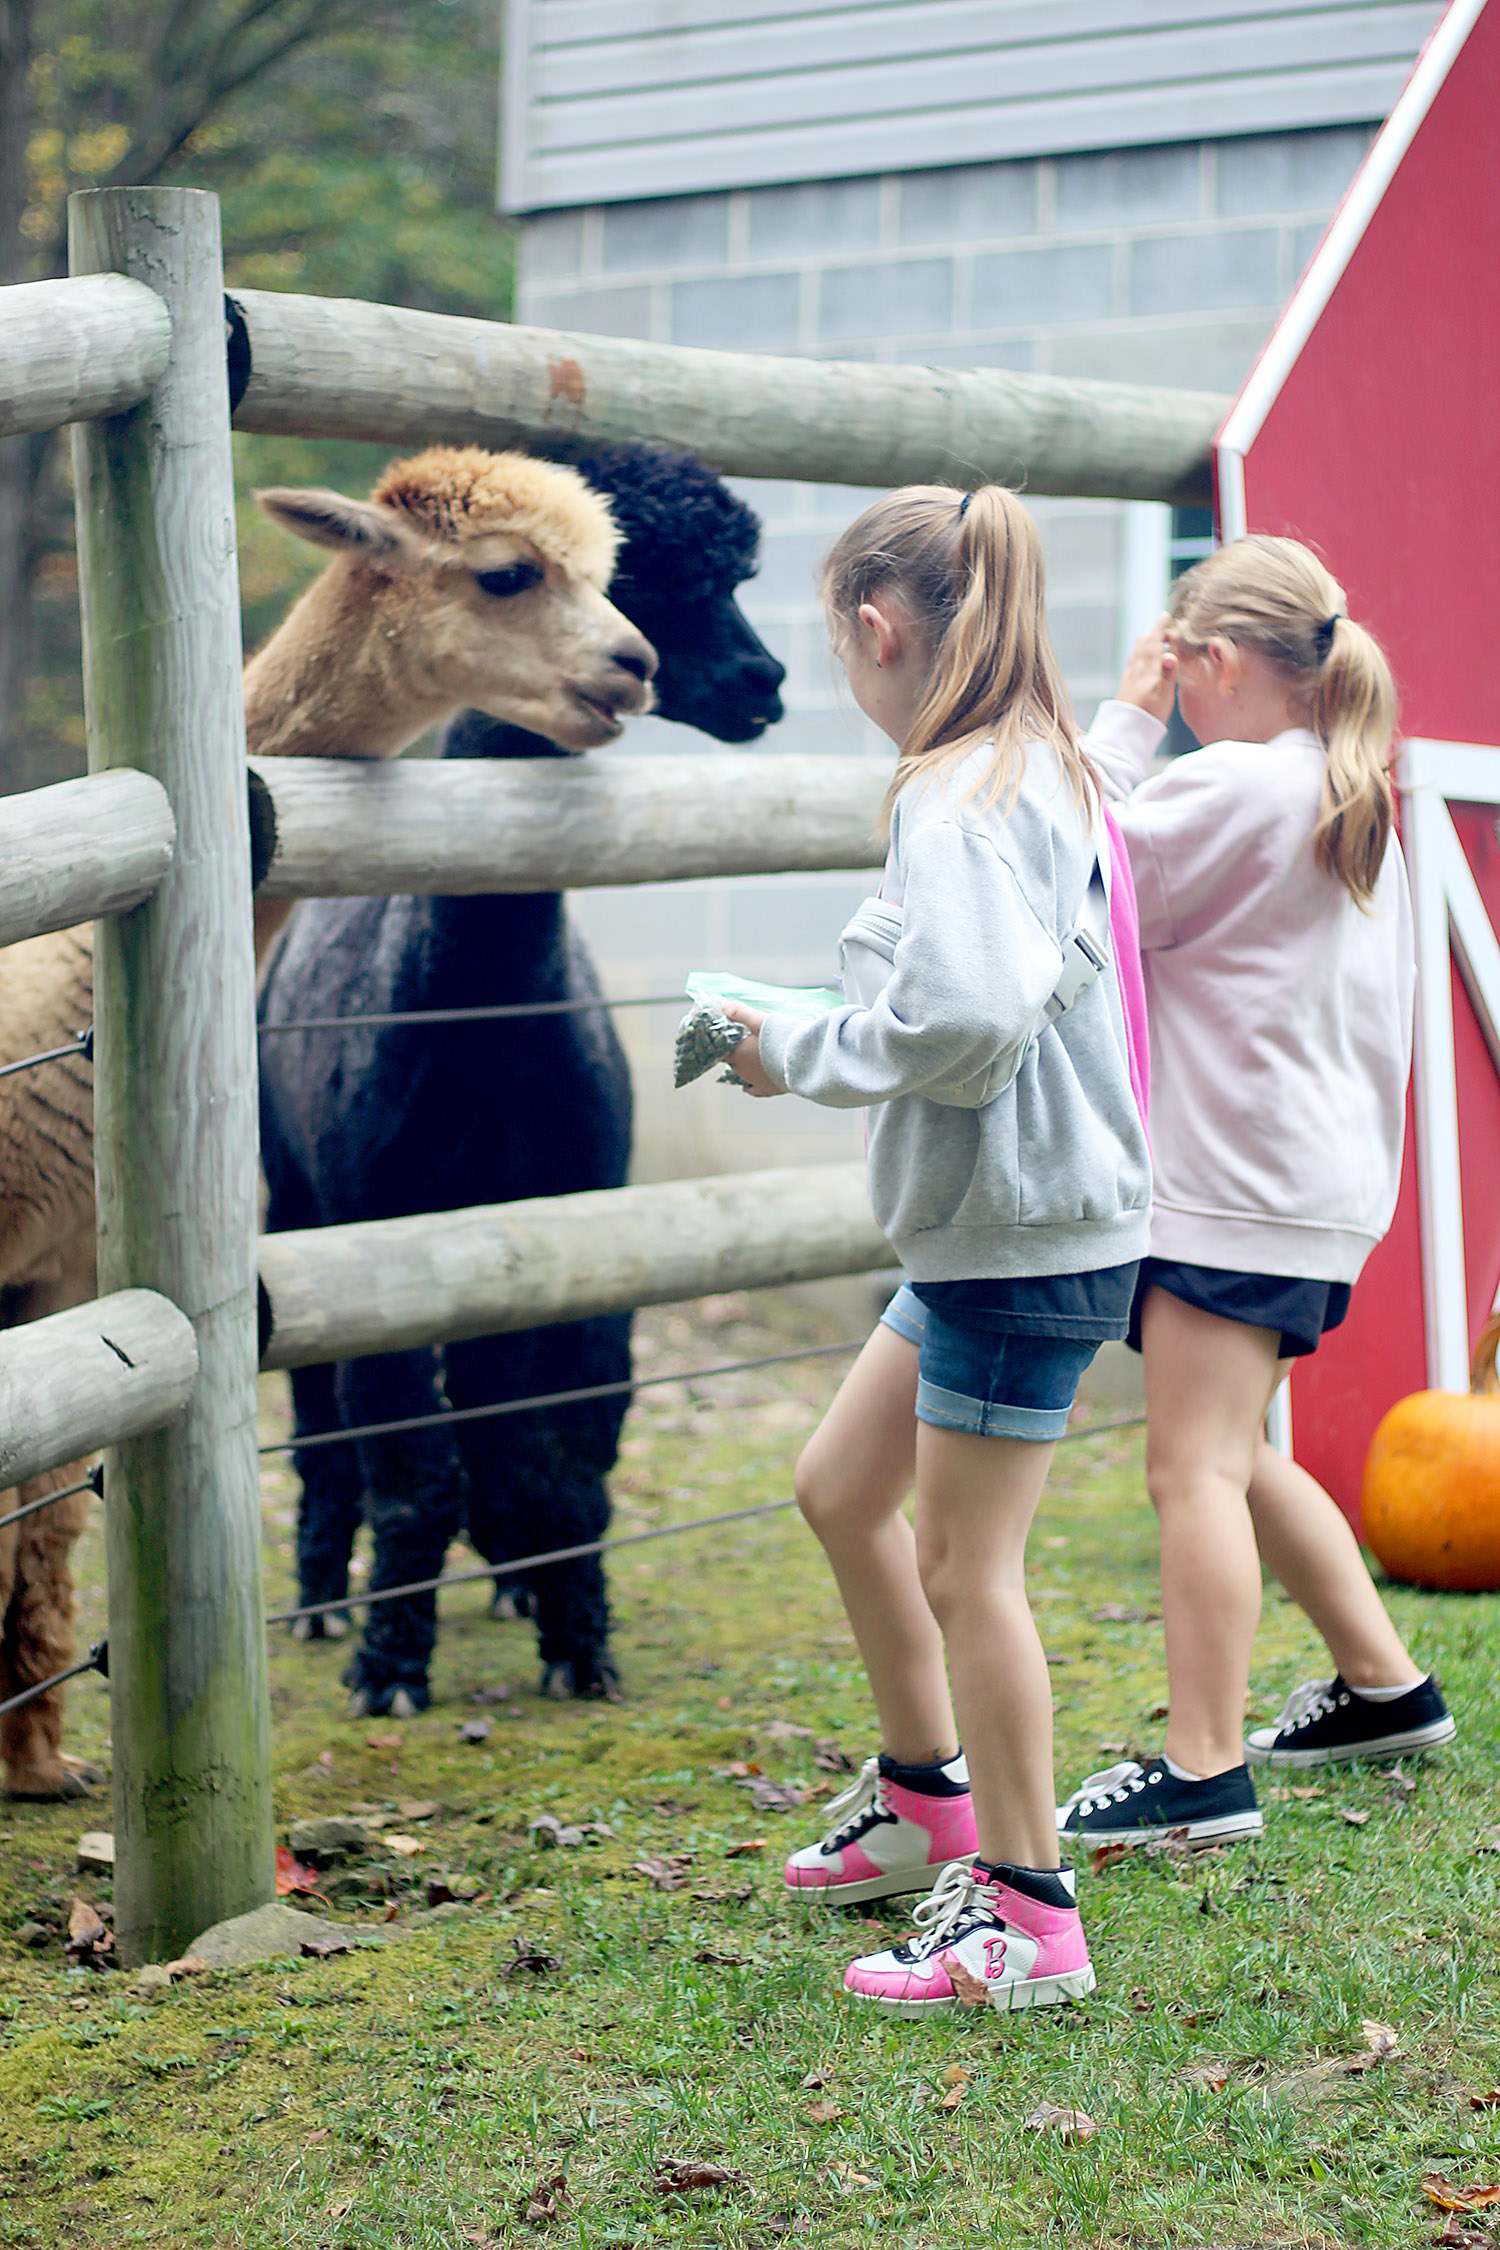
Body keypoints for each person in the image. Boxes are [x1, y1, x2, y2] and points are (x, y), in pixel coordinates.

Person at [719, 484, 1151, 2014]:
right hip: (1001, 1226)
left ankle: (1027, 1914)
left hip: (1013, 1238)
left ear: (877, 628)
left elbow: (963, 1022)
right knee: (842, 1485)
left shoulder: (957, 792)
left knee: (972, 1565)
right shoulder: (1036, 763)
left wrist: (800, 1046)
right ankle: (925, 1800)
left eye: (842, 643)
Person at [1056, 534, 1454, 1854]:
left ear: (1213, 664)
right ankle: (1385, 1687)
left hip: (1231, 1188)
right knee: (1242, 1453)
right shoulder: (1351, 795)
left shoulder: (1230, 783)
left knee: (1193, 1472)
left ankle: (1202, 1769)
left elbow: (1061, 870)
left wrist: (1124, 721)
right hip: (1314, 1194)